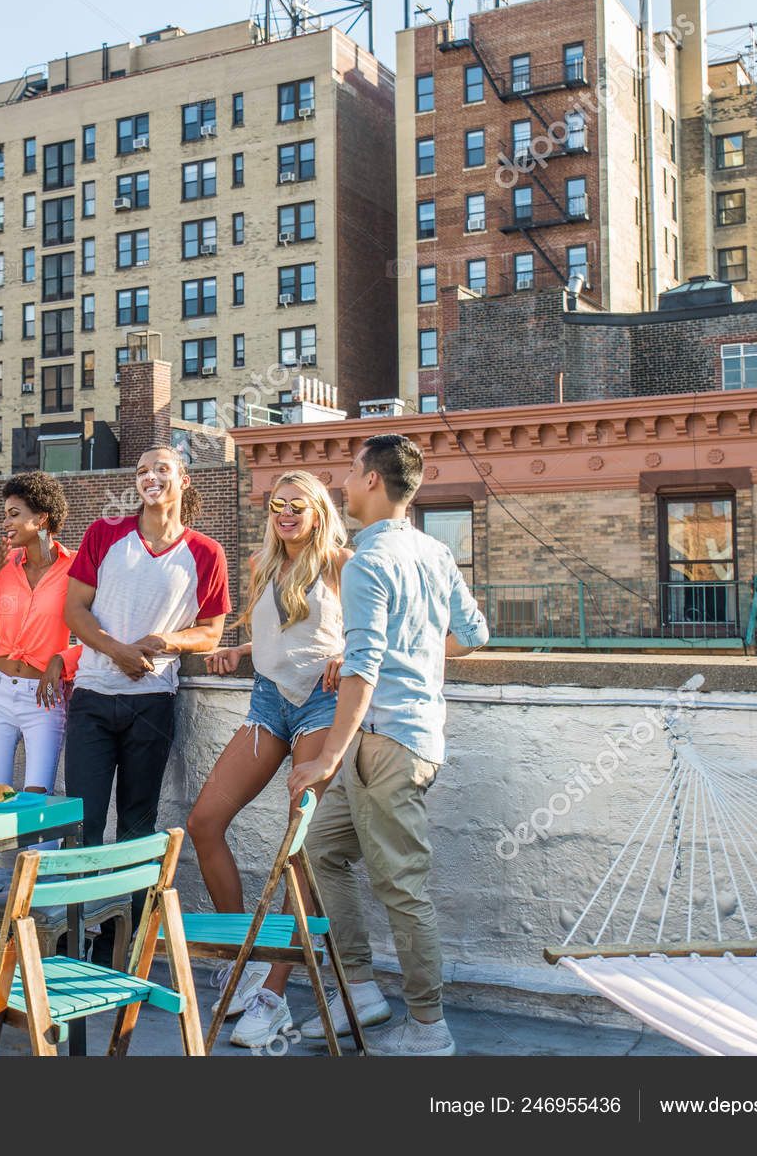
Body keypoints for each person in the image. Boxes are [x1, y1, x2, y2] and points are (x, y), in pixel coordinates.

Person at [287, 434, 488, 1057]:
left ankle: (429, 1028)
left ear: (373, 480)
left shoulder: (366, 563)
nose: (343, 481)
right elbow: (473, 634)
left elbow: (362, 670)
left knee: (402, 884)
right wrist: (418, 654)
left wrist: (325, 757)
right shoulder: (434, 550)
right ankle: (362, 992)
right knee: (322, 848)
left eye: (350, 470)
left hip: (387, 744)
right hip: (403, 739)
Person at [185, 469, 365, 1047]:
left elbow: (369, 629)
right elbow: (280, 632)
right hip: (267, 701)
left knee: (298, 851)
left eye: (297, 505)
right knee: (204, 822)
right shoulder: (266, 564)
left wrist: (348, 654)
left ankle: (275, 995)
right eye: (277, 504)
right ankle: (246, 960)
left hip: (320, 704)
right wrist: (240, 648)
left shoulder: (341, 562)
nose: (285, 513)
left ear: (318, 510)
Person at [64, 445, 230, 965]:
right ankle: (74, 936)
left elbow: (211, 633)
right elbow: (74, 610)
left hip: (151, 705)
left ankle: (128, 943)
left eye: (161, 468)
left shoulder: (206, 552)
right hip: (92, 697)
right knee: (84, 823)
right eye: (141, 469)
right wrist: (116, 650)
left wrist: (164, 643)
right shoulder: (104, 533)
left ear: (183, 480)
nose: (149, 476)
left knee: (139, 826)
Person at [0, 472, 81, 964]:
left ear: (43, 519)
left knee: (38, 804)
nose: (5, 522)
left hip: (45, 697)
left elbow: (88, 633)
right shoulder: (1, 569)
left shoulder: (78, 568)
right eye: (5, 513)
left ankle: (36, 920)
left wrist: (63, 660)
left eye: (15, 514)